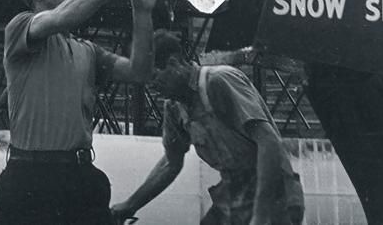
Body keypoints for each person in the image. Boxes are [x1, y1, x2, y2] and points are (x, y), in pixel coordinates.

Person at [0, 0, 157, 225]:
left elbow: (139, 71)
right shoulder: (21, 25)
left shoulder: (86, 50)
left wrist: (143, 11)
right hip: (30, 177)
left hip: (80, 175)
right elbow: (62, 18)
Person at [111, 31, 304, 225]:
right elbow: (171, 163)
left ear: (173, 63)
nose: (152, 86)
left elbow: (268, 141)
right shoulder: (174, 108)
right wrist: (130, 205)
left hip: (274, 192)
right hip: (233, 195)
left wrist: (261, 215)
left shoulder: (219, 81)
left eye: (154, 77)